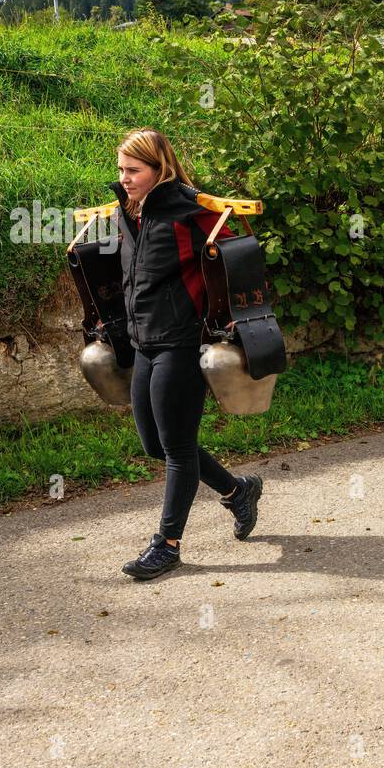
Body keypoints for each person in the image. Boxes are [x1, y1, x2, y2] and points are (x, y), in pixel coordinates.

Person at [111, 128, 264, 580]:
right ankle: (238, 492)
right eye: (120, 170)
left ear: (160, 169)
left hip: (182, 342)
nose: (124, 179)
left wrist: (236, 320)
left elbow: (238, 256)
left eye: (133, 171)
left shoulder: (193, 212)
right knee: (155, 445)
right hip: (144, 343)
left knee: (177, 447)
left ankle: (168, 545)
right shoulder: (128, 212)